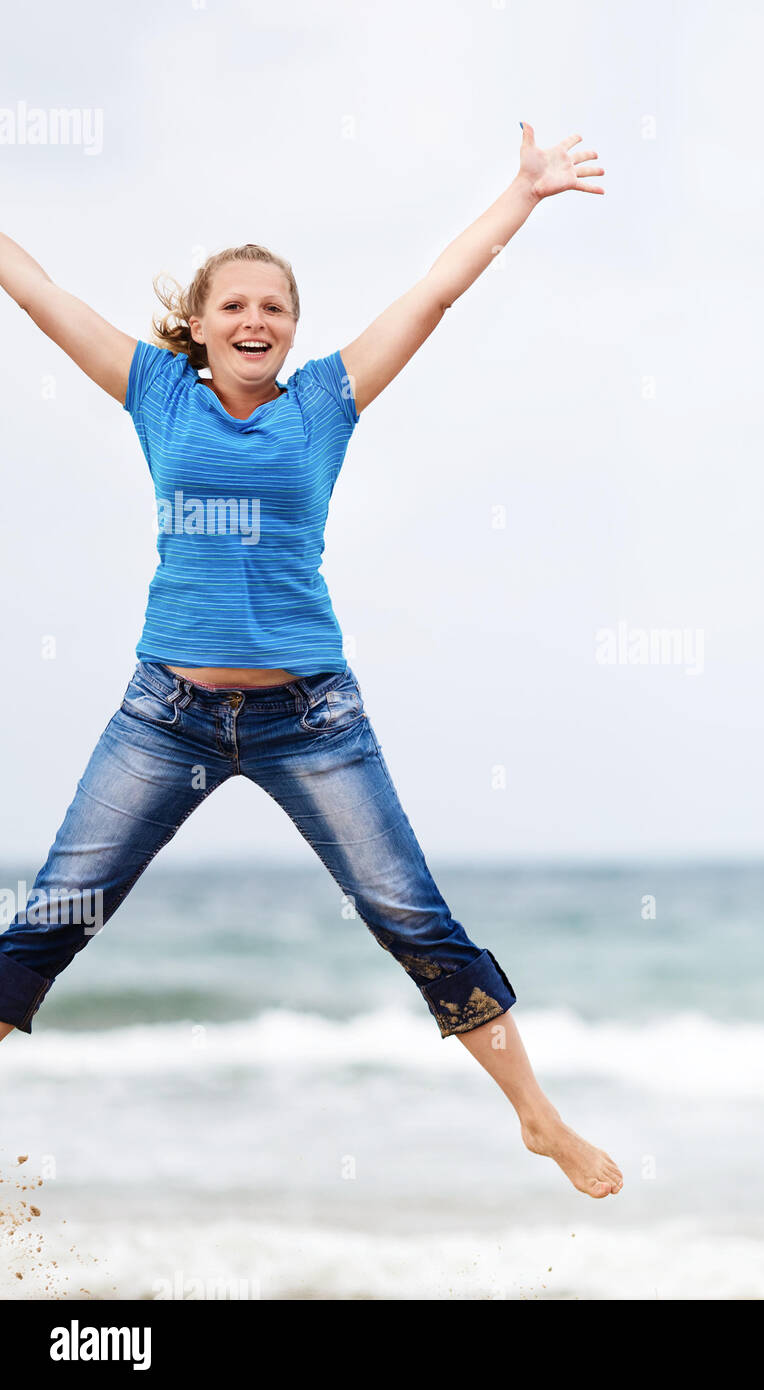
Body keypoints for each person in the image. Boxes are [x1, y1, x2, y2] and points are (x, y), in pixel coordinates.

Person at [0, 123, 622, 1199]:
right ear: (197, 324)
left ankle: (537, 1118)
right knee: (56, 913)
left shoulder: (325, 401)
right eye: (234, 304)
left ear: (293, 330)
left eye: (274, 306)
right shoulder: (155, 391)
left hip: (312, 719)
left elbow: (433, 293)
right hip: (167, 714)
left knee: (411, 916)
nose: (255, 318)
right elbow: (38, 290)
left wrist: (522, 193)